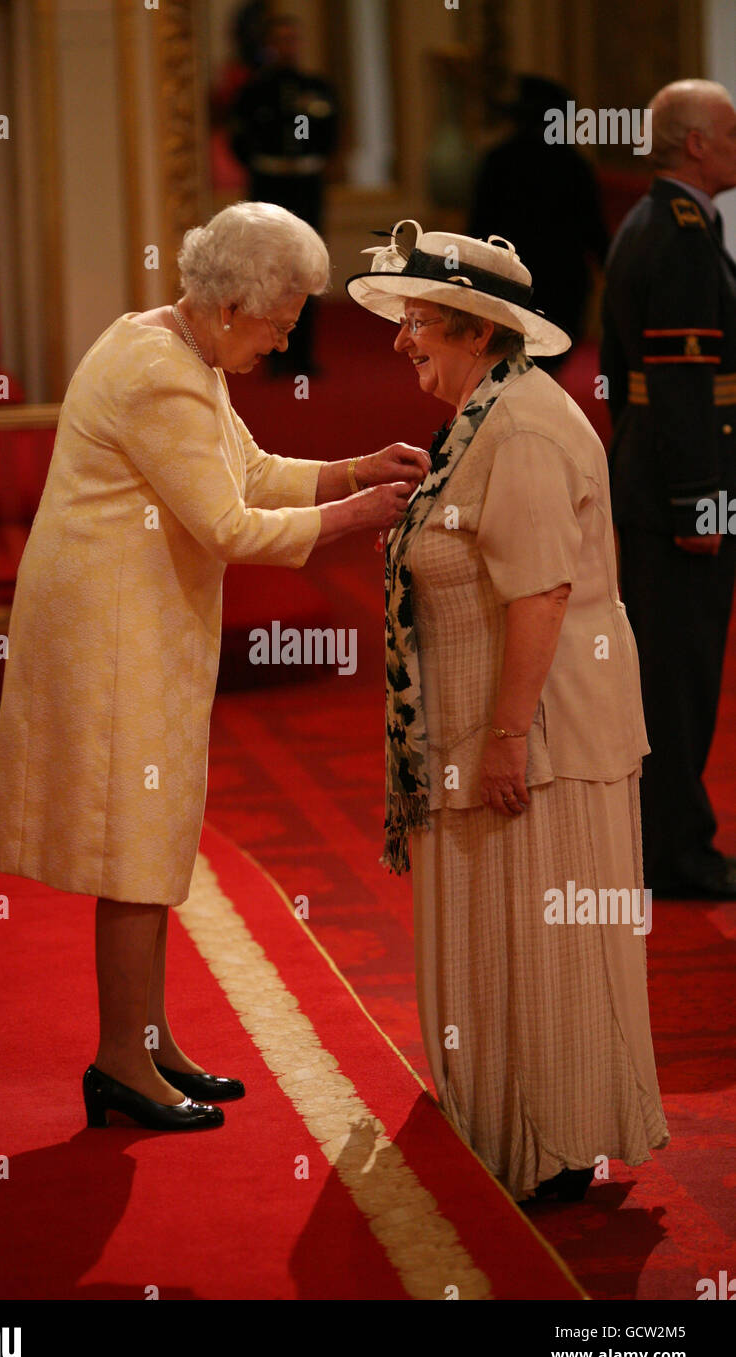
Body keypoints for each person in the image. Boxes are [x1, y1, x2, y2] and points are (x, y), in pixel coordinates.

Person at [0, 202, 428, 1134]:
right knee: (132, 844)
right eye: (279, 322)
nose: (285, 340)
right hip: (110, 635)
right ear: (230, 306)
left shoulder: (175, 345)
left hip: (134, 619)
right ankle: (117, 1062)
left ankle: (148, 1040)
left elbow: (246, 469)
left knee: (154, 832)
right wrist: (359, 516)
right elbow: (229, 526)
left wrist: (348, 471)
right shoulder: (163, 372)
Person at [347, 220, 669, 1202]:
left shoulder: (522, 423)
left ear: (473, 331)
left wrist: (498, 740)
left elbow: (539, 594)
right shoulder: (492, 411)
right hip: (494, 729)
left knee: (541, 943)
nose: (401, 341)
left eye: (416, 324)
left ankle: (546, 1144)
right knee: (510, 935)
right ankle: (503, 1117)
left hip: (538, 737)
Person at [601, 79, 736, 899]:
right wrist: (699, 501)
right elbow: (685, 387)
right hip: (683, 494)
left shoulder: (658, 223)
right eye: (731, 130)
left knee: (672, 671)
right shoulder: (680, 236)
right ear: (696, 144)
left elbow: (626, 381)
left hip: (654, 480)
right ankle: (675, 850)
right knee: (678, 678)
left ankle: (665, 838)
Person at [467, 75, 609, 373]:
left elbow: (477, 230)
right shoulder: (574, 165)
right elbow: (594, 232)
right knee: (549, 364)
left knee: (512, 364)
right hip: (564, 285)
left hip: (508, 283)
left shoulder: (497, 162)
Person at [229, 13, 338, 374]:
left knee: (307, 267)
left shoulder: (317, 87)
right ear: (269, 46)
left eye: (293, 39)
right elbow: (238, 138)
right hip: (270, 182)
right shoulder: (253, 91)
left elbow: (332, 133)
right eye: (280, 40)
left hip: (305, 185)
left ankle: (303, 354)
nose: (287, 47)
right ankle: (273, 354)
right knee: (270, 268)